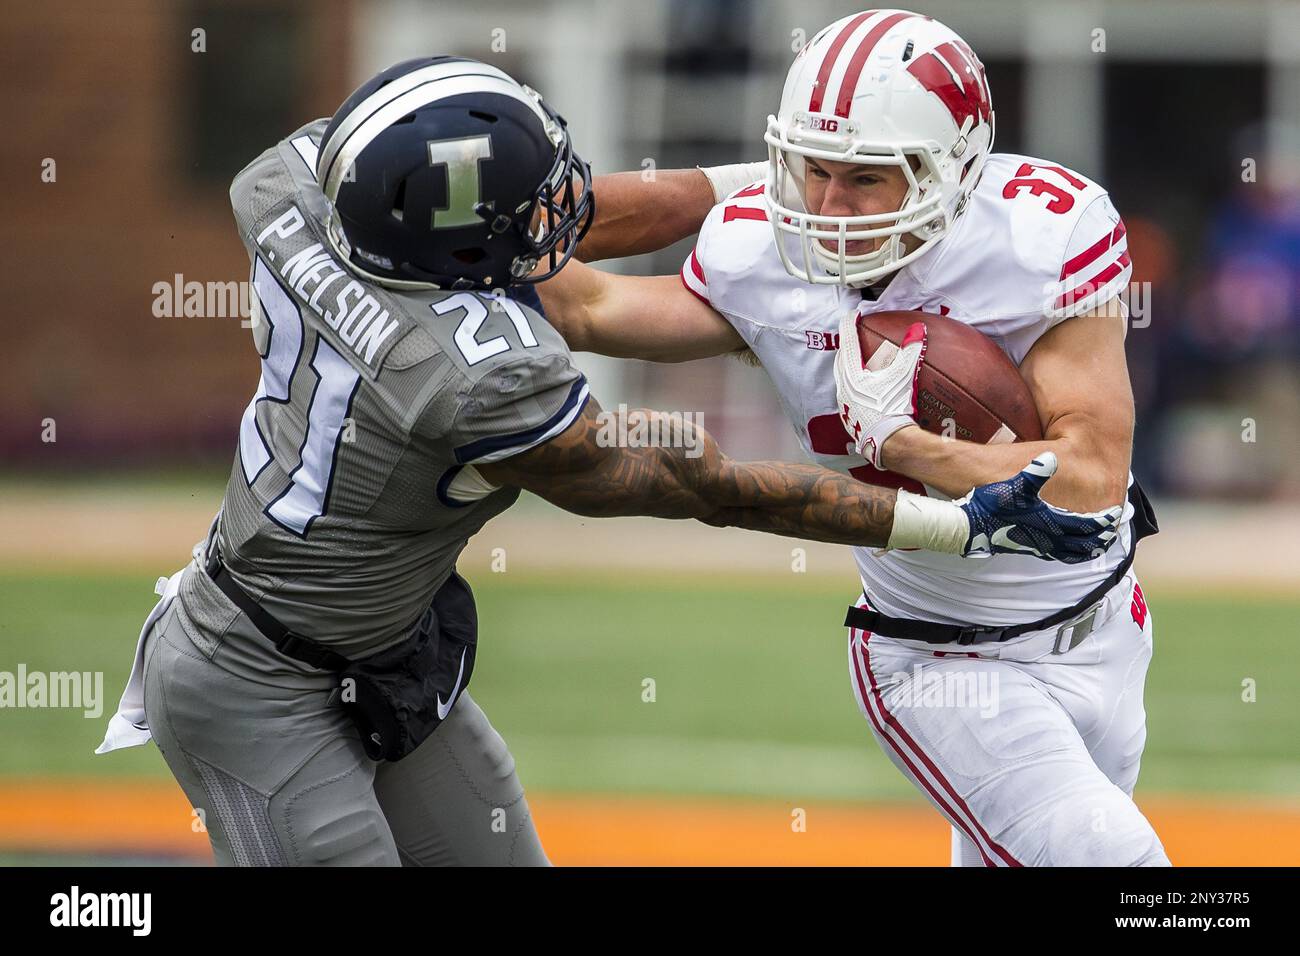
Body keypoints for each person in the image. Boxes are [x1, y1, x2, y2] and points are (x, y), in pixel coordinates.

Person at [96, 55, 1114, 867]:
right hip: (252, 671)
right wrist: (954, 515)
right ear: (468, 243)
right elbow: (700, 480)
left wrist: (792, 176)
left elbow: (473, 198)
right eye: (534, 207)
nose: (563, 213)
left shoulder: (286, 189)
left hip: (385, 648)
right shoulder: (479, 377)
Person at [539, 12, 1167, 866]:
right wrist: (457, 234)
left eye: (867, 179)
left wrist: (911, 449)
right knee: (1119, 867)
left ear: (954, 169)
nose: (829, 208)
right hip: (939, 652)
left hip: (1106, 626)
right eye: (812, 169)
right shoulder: (762, 253)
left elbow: (1088, 476)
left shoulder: (1041, 237)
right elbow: (588, 305)